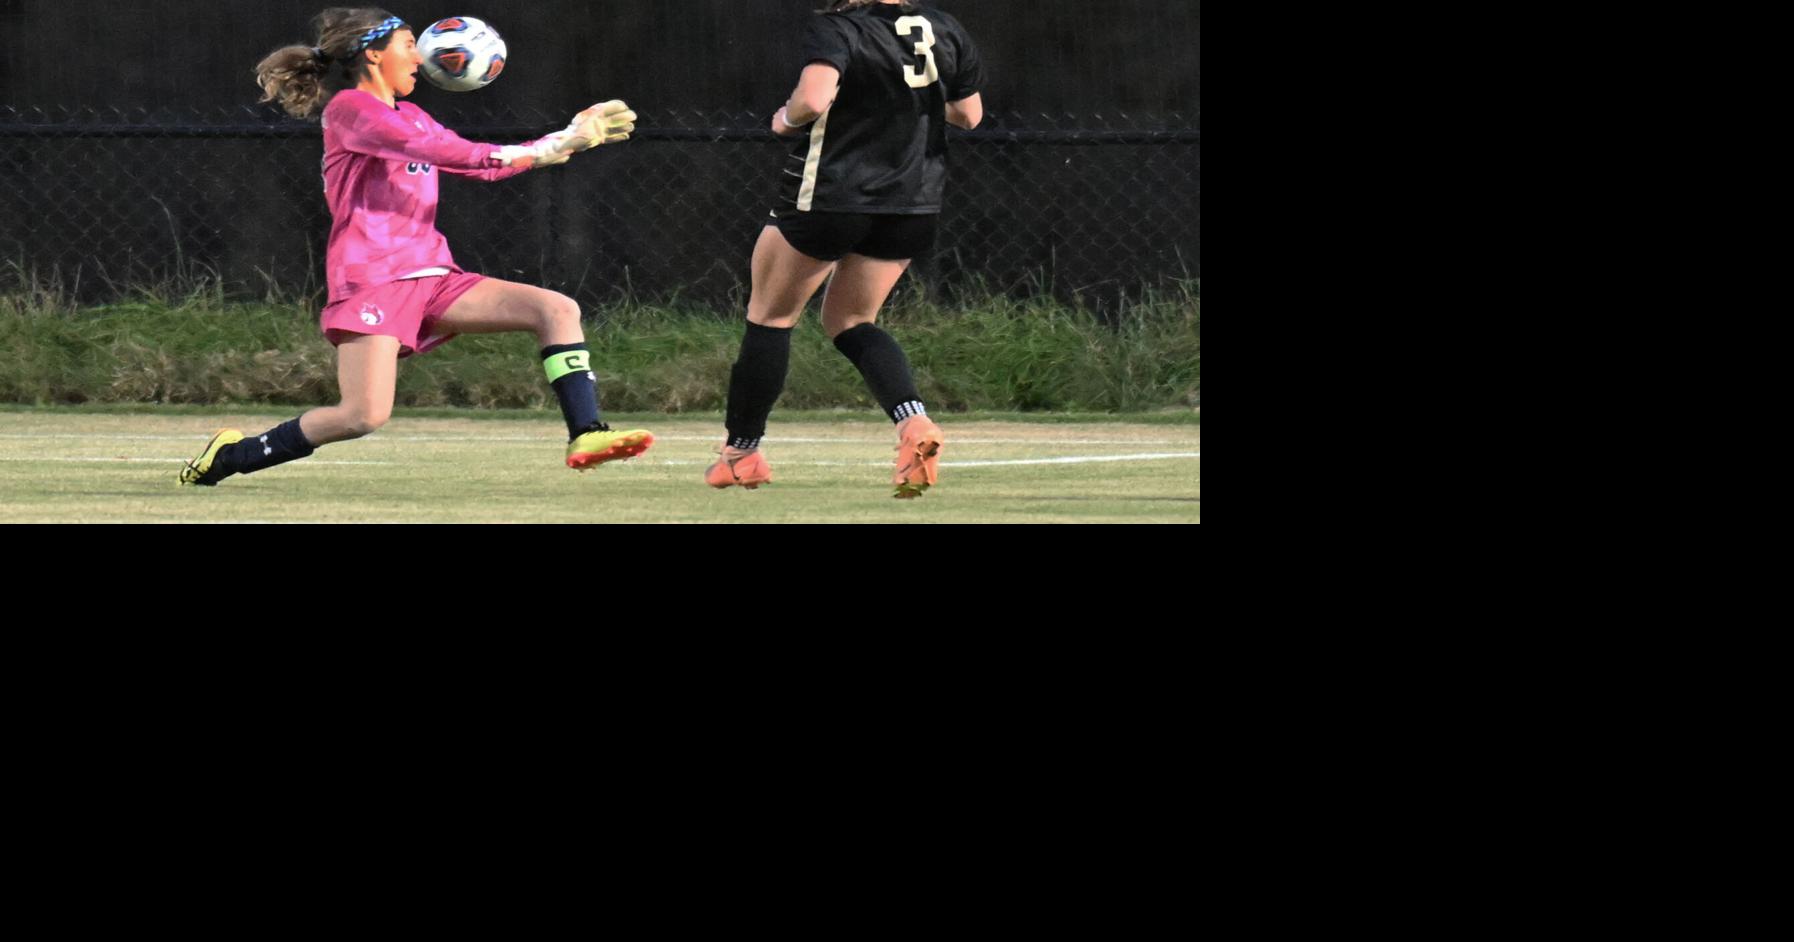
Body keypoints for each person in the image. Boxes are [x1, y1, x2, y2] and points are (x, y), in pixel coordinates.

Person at [181, 8, 648, 488]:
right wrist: (552, 145)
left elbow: (479, 165)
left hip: (433, 275)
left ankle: (587, 433)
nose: (421, 57)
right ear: (373, 53)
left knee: (555, 309)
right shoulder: (350, 109)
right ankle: (229, 456)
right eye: (410, 44)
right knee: (361, 416)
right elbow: (447, 153)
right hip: (375, 281)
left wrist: (567, 139)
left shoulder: (412, 114)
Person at [706, 0, 985, 499]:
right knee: (852, 321)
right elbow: (968, 113)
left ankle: (741, 454)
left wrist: (784, 121)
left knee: (770, 317)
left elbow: (813, 101)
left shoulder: (838, 28)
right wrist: (893, 103)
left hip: (832, 195)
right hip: (912, 201)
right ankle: (913, 423)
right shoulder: (944, 27)